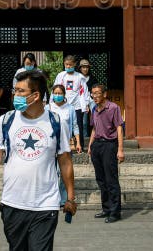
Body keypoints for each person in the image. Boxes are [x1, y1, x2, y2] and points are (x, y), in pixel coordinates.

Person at [0, 70, 77, 251]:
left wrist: (70, 197)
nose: (15, 95)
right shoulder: (5, 120)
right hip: (12, 204)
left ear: (36, 95)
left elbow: (65, 160)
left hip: (45, 205)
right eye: (15, 90)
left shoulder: (56, 122)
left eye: (20, 91)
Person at [87, 83, 124, 223]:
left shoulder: (113, 108)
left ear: (104, 94)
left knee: (111, 180)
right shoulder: (94, 109)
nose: (95, 96)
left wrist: (120, 149)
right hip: (97, 145)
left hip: (109, 145)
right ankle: (106, 208)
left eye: (97, 93)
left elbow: (119, 128)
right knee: (101, 179)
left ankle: (115, 212)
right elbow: (94, 129)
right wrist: (90, 146)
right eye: (93, 93)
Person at [49, 84, 81, 206]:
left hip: (66, 145)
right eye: (55, 93)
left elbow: (75, 126)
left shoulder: (70, 108)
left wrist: (78, 142)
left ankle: (63, 199)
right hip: (51, 145)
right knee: (52, 172)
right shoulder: (48, 108)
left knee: (64, 173)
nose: (57, 96)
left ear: (64, 95)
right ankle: (52, 198)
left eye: (60, 93)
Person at [53, 55, 89, 150]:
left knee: (78, 126)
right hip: (63, 105)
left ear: (75, 64)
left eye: (70, 64)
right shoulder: (61, 75)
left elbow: (84, 91)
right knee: (62, 124)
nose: (68, 66)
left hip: (77, 105)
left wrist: (86, 104)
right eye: (66, 64)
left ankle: (79, 145)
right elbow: (55, 89)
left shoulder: (80, 76)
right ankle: (63, 145)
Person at [78, 59, 95, 140]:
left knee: (96, 118)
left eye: (87, 67)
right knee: (84, 121)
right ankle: (85, 137)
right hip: (82, 101)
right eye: (83, 67)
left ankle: (96, 135)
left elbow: (96, 89)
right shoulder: (77, 78)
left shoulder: (92, 79)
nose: (85, 69)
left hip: (92, 100)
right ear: (80, 68)